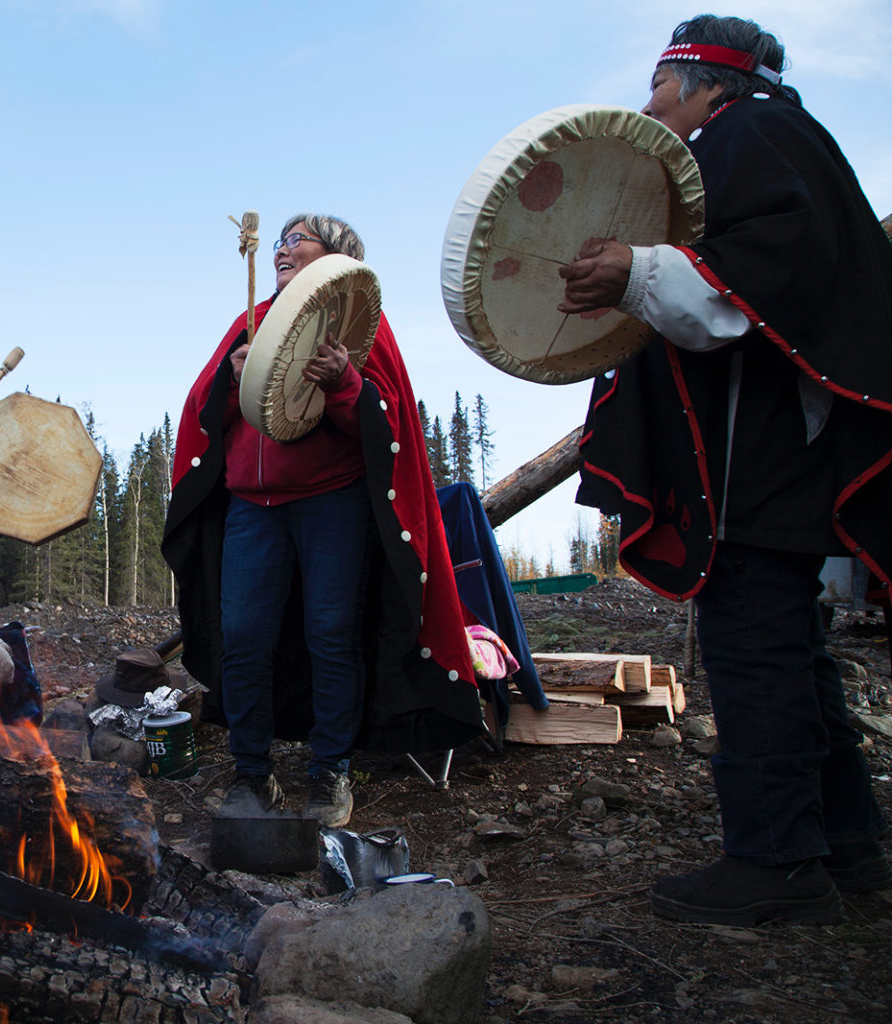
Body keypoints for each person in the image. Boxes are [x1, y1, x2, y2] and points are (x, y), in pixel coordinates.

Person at [559, 15, 892, 924]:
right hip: (779, 446)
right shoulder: (772, 139)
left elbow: (755, 282)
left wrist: (635, 271)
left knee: (752, 638)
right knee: (786, 637)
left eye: (660, 85)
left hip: (762, 448)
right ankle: (846, 842)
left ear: (709, 83)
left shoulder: (752, 132)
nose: (649, 105)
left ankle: (776, 862)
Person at [163, 214, 482, 827]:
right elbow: (205, 413)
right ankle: (251, 775)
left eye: (297, 240)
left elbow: (384, 425)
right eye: (280, 242)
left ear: (335, 256)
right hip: (251, 508)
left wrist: (343, 383)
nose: (282, 250)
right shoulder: (252, 320)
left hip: (332, 502)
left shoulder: (360, 324)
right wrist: (232, 381)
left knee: (332, 637)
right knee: (243, 639)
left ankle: (330, 771)